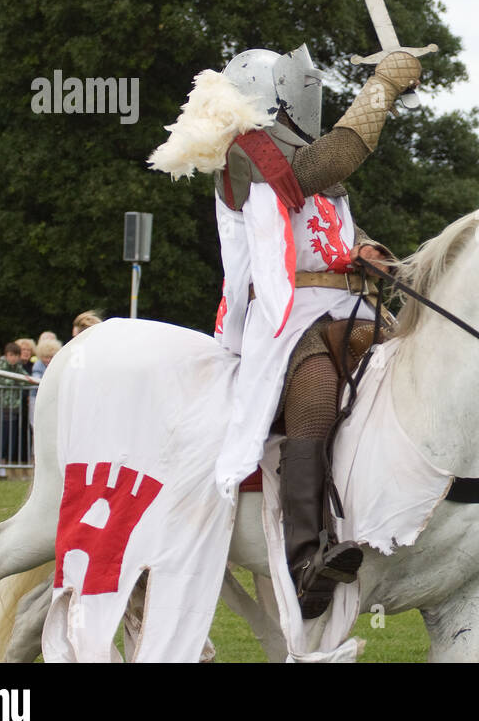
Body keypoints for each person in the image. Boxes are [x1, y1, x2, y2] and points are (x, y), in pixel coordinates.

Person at [150, 42, 420, 618]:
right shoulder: (248, 152)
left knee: (421, 372)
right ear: (278, 94)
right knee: (316, 400)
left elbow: (335, 232)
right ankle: (308, 556)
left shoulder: (320, 175)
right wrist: (380, 91)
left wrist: (367, 250)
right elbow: (323, 166)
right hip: (287, 314)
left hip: (351, 310)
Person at [0, 342, 31, 477]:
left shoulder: (18, 366)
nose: (13, 358)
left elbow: (25, 378)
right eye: (11, 355)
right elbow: (3, 380)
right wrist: (18, 381)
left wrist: (21, 380)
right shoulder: (2, 365)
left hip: (13, 409)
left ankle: (2, 464)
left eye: (16, 356)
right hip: (0, 408)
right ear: (6, 355)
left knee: (9, 438)